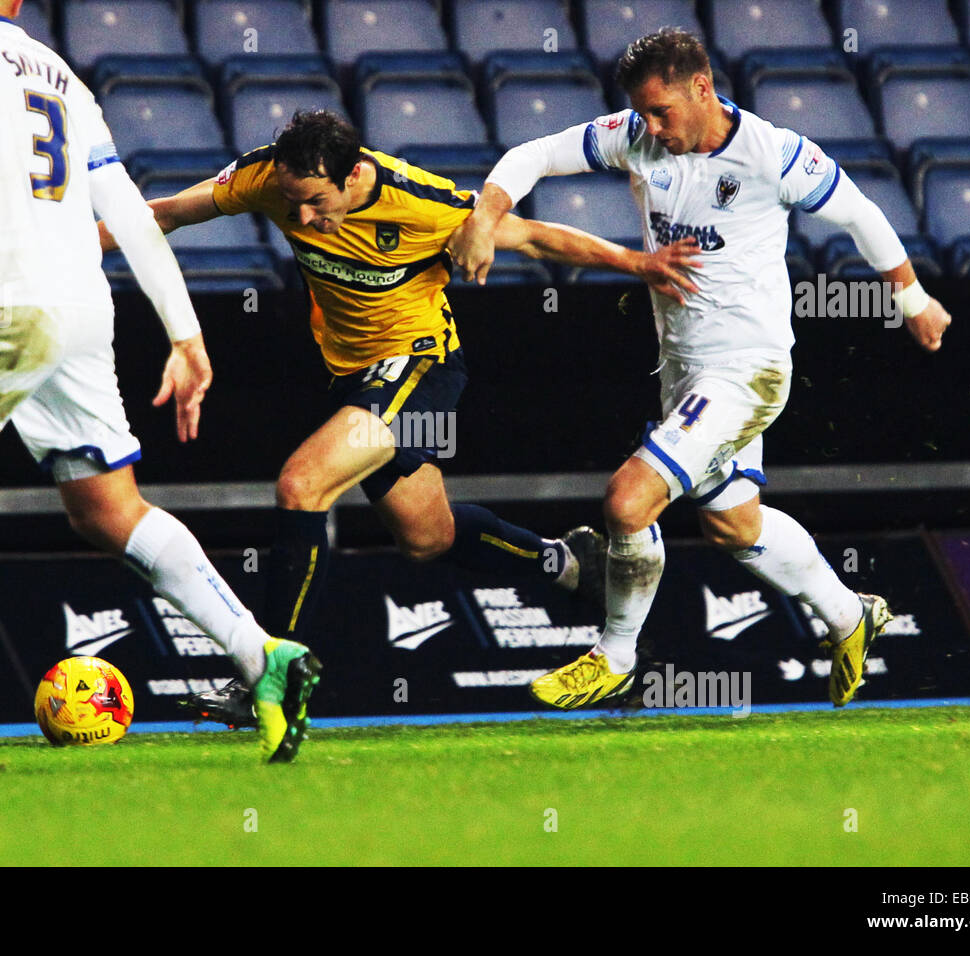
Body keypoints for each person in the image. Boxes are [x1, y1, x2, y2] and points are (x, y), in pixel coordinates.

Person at [0, 0, 318, 770]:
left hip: (3, 307)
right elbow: (133, 217)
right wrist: (185, 331)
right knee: (110, 508)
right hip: (81, 309)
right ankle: (261, 654)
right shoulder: (63, 75)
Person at [100, 109, 700, 725]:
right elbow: (165, 213)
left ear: (353, 174)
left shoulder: (420, 204)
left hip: (418, 366)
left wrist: (640, 265)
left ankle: (266, 679)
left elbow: (538, 237)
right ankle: (570, 564)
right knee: (426, 536)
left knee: (301, 485)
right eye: (291, 202)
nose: (301, 219)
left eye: (313, 203)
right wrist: (66, 254)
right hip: (354, 374)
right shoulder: (270, 179)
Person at [449, 27, 952, 710]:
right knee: (734, 525)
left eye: (664, 112)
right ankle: (847, 616)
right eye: (644, 114)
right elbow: (535, 153)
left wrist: (912, 299)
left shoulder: (772, 153)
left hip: (748, 370)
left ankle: (615, 656)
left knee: (628, 500)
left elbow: (860, 214)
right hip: (684, 371)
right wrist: (486, 214)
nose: (652, 127)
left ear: (702, 88)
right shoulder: (635, 135)